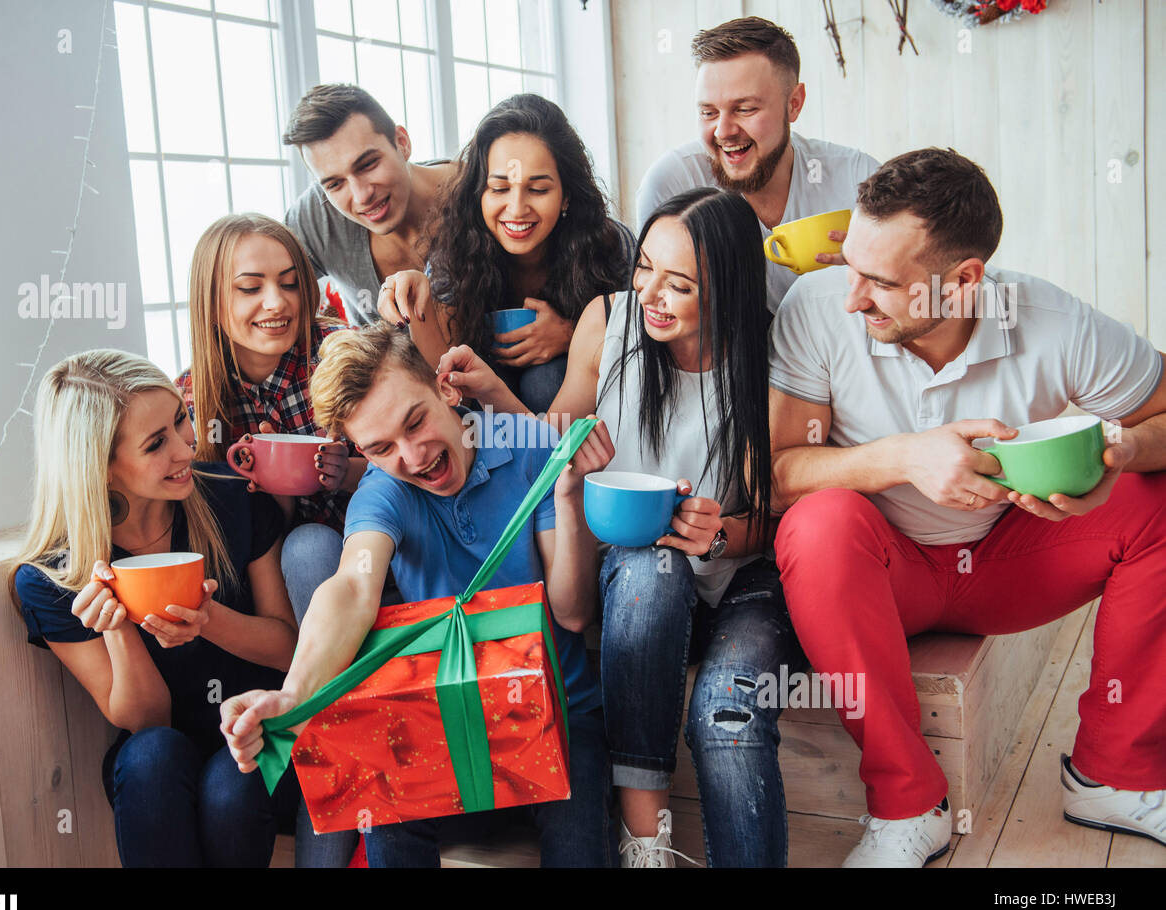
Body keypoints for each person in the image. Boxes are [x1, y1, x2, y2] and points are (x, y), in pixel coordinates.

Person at [769, 148, 1166, 867]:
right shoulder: (820, 306)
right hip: (886, 571)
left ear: (964, 280)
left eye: (882, 281)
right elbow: (777, 474)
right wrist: (906, 456)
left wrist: (1115, 455)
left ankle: (1114, 771)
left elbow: (1159, 418)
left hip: (1008, 559)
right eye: (850, 265)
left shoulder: (1052, 321)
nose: (853, 294)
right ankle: (906, 804)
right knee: (815, 522)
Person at [437, 187, 805, 867]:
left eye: (680, 283)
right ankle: (646, 842)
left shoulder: (770, 351)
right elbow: (559, 434)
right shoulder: (609, 318)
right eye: (646, 268)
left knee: (727, 709)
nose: (652, 294)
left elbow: (771, 514)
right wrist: (503, 401)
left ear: (727, 286)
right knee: (649, 564)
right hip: (638, 580)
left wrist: (719, 533)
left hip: (743, 575)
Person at [219, 325, 616, 867]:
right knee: (386, 823)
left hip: (558, 715)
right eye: (381, 447)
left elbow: (572, 614)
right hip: (447, 724)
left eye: (416, 421)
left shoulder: (527, 446)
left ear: (446, 391)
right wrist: (293, 697)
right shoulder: (384, 490)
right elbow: (354, 585)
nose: (413, 455)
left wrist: (568, 498)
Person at [11, 349, 353, 867]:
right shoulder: (53, 579)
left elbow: (289, 648)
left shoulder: (231, 498)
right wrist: (118, 628)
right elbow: (147, 720)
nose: (185, 447)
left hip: (259, 729)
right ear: (102, 469)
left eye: (180, 419)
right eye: (156, 444)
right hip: (166, 760)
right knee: (149, 757)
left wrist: (209, 621)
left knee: (230, 784)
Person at [377, 93, 634, 414]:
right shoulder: (453, 251)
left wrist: (574, 336)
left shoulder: (610, 243)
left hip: (583, 425)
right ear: (478, 191)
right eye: (499, 189)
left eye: (538, 189)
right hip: (485, 428)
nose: (516, 209)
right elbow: (443, 382)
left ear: (566, 195)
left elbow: (644, 350)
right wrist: (419, 304)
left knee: (545, 378)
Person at [175, 213, 365, 638]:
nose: (278, 302)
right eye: (250, 288)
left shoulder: (339, 354)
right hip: (263, 562)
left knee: (308, 547)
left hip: (362, 536)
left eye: (290, 282)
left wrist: (344, 471)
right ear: (211, 302)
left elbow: (408, 460)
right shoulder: (192, 394)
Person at [635, 16, 879, 311]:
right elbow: (652, 302)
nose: (723, 131)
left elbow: (914, 286)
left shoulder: (857, 179)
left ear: (794, 104)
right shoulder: (671, 183)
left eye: (745, 109)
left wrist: (873, 273)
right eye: (708, 113)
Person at [282, 83, 456, 326]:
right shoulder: (317, 218)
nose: (361, 196)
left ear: (402, 143)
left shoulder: (486, 191)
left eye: (367, 165)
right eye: (334, 184)